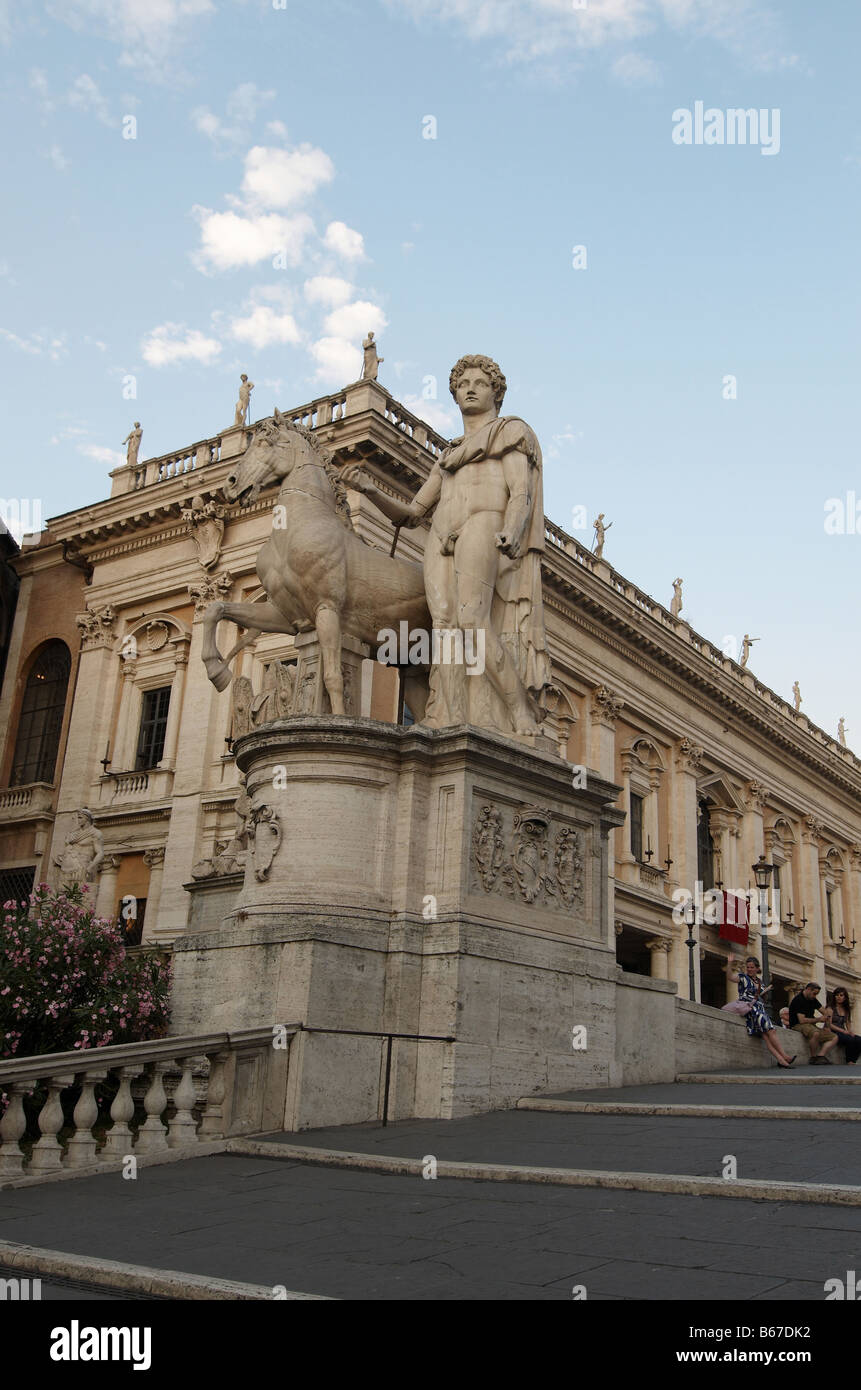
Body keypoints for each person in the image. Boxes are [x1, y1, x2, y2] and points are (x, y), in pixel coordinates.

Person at [725, 956, 795, 1067]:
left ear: (757, 968)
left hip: (759, 1007)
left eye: (752, 967)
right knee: (771, 1030)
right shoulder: (743, 978)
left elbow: (762, 998)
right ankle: (784, 1055)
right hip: (751, 1009)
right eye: (748, 967)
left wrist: (765, 992)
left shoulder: (760, 982)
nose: (749, 969)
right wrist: (729, 964)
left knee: (766, 1036)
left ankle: (781, 1060)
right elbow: (730, 977)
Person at [788, 983, 838, 1064]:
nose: (815, 996)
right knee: (815, 1033)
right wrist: (819, 1019)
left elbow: (825, 1012)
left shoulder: (812, 999)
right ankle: (813, 1057)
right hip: (798, 1025)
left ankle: (821, 1056)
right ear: (808, 990)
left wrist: (827, 1023)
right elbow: (802, 1020)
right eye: (814, 993)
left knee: (834, 1037)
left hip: (810, 1025)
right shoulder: (799, 1000)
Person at [825, 988, 861, 1064]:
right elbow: (829, 1024)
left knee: (858, 1039)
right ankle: (849, 1060)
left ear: (845, 997)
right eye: (836, 995)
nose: (838, 997)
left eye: (841, 995)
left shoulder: (846, 1009)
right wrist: (844, 1031)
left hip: (842, 1031)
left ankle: (853, 1060)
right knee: (850, 1040)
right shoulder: (830, 1008)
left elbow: (848, 1022)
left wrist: (850, 1031)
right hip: (832, 1031)